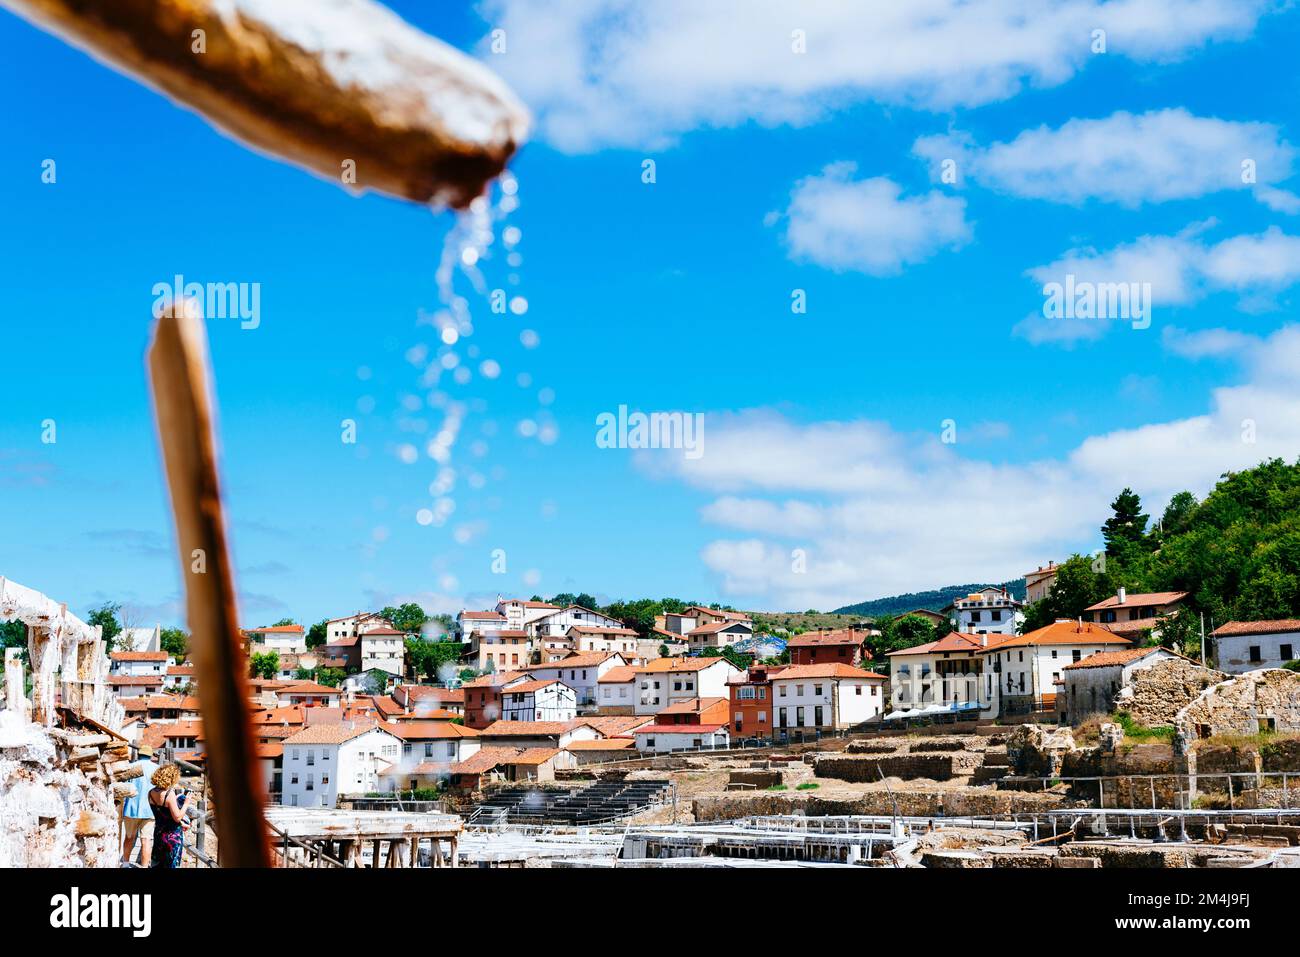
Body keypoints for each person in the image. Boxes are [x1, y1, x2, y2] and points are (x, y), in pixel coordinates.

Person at [120, 744, 159, 867]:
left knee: (129, 837)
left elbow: (123, 787)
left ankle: (125, 863)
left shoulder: (130, 767)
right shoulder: (157, 769)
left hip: (131, 808)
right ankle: (144, 867)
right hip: (150, 810)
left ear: (139, 754)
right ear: (150, 756)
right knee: (146, 840)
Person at [147, 764, 191, 869]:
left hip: (159, 832)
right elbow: (177, 817)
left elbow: (164, 815)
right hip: (172, 835)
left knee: (158, 864)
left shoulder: (151, 793)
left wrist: (181, 823)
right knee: (171, 864)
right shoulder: (169, 794)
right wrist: (186, 803)